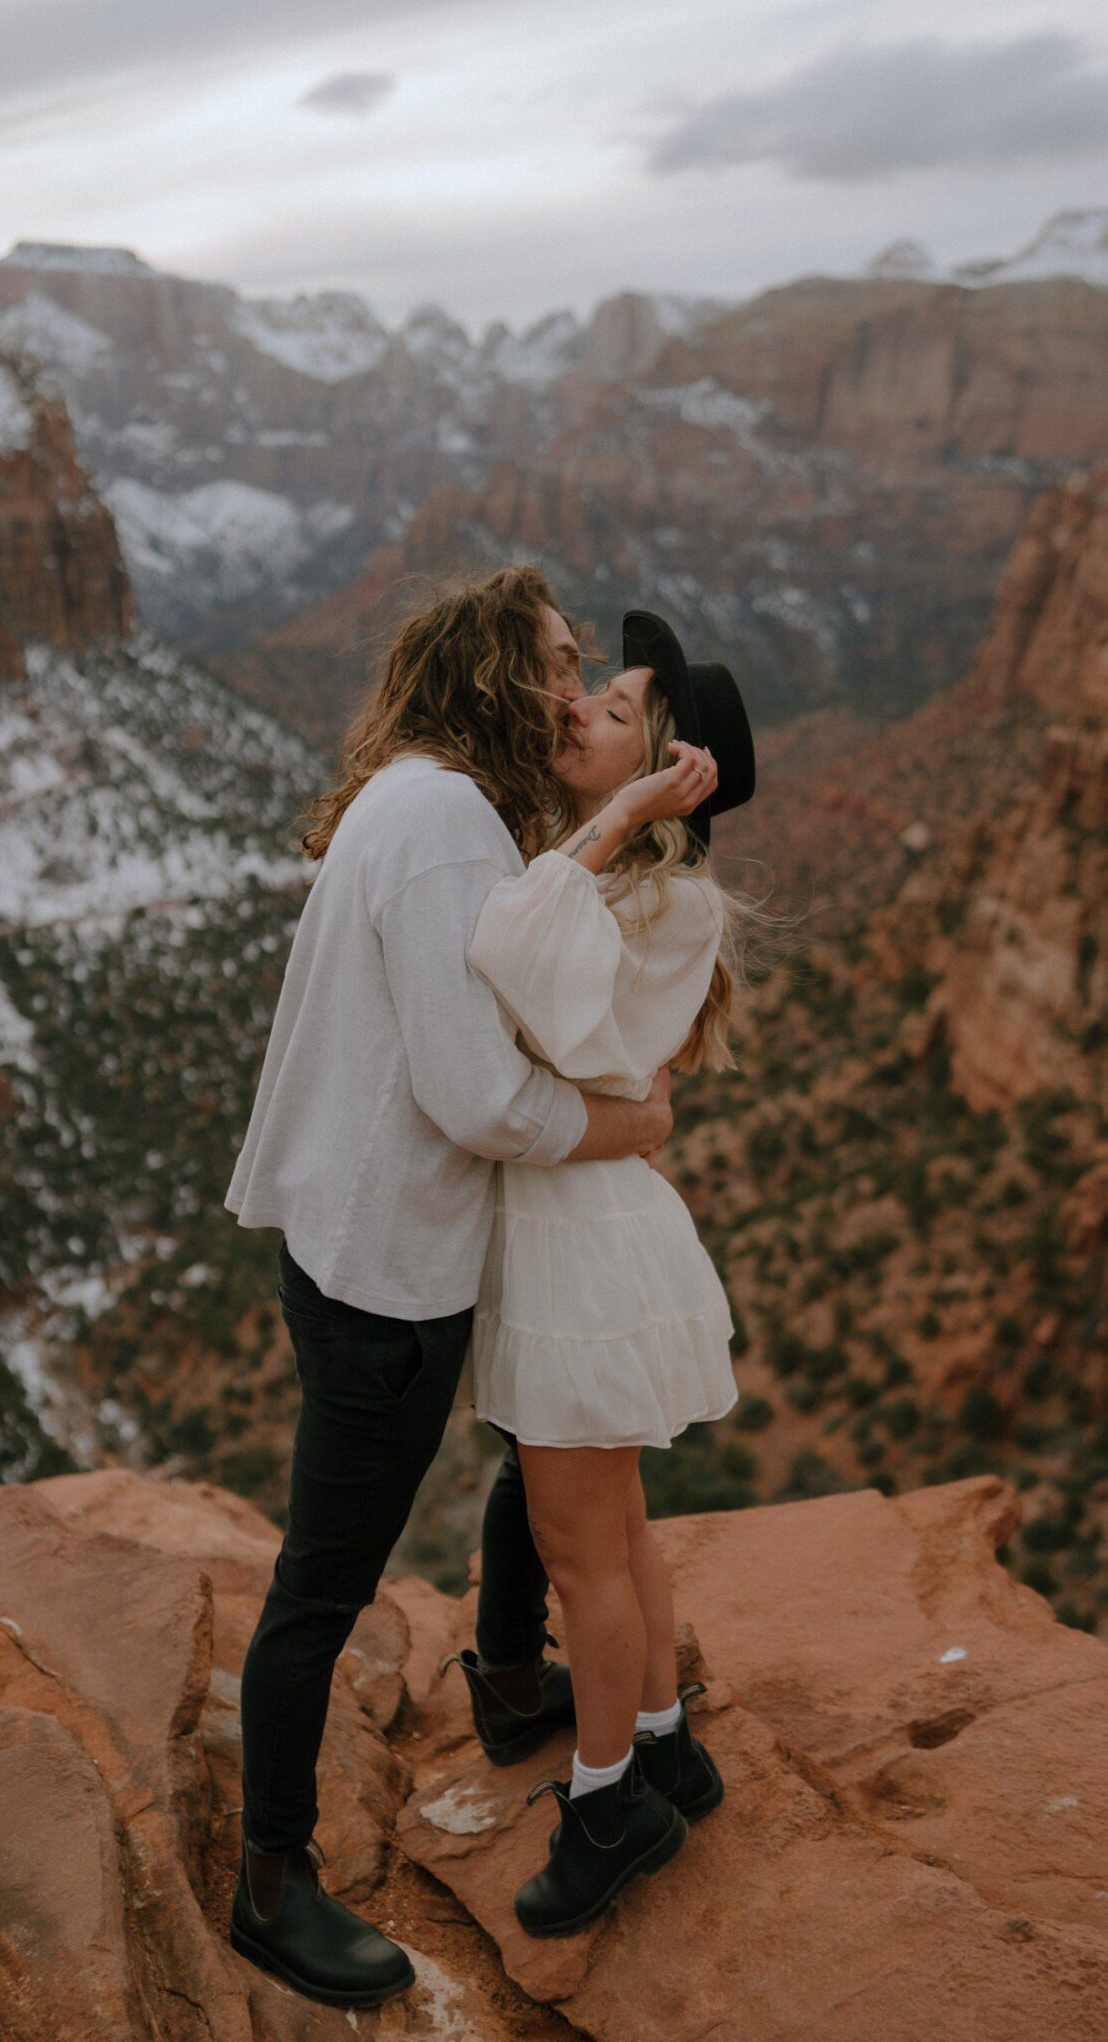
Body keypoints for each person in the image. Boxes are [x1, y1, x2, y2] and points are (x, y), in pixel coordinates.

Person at [222, 570, 716, 2008]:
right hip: (388, 1269)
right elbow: (473, 1096)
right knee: (323, 1582)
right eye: (558, 667)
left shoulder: (424, 796)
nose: (572, 692)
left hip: (373, 1239)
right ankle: (270, 1878)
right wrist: (623, 1128)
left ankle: (513, 1686)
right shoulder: (443, 825)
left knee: (542, 1454)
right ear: (496, 672)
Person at [459, 609, 755, 1936]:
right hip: (596, 1220)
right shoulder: (656, 895)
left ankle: (606, 1801)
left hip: (581, 1248)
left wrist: (616, 813)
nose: (581, 711)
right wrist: (620, 811)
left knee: (581, 1555)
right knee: (616, 1528)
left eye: (620, 711)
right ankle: (663, 1742)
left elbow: (507, 946)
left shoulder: (642, 890)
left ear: (670, 774)